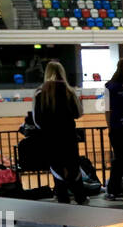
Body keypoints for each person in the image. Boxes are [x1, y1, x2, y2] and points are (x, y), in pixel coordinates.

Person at [33, 60, 86, 204]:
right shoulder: (70, 91)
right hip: (68, 136)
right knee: (73, 168)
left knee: (57, 168)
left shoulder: (40, 93)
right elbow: (79, 113)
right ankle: (80, 197)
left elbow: (37, 121)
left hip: (50, 138)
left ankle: (63, 199)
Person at [104, 58, 123, 200]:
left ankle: (113, 190)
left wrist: (110, 127)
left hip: (117, 128)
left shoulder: (110, 87)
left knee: (119, 159)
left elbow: (107, 110)